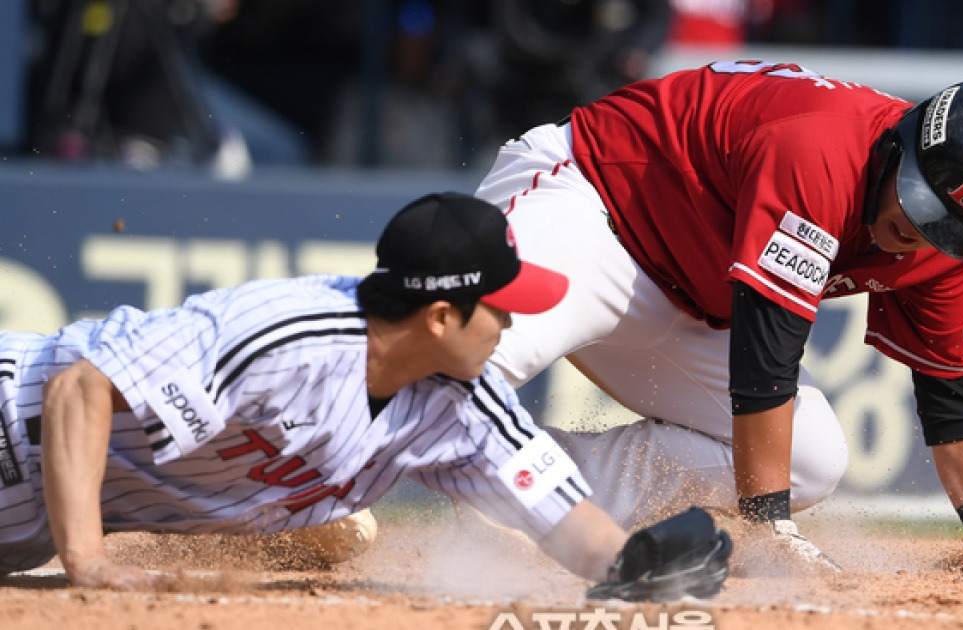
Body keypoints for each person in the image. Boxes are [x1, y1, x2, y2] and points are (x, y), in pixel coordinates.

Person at [473, 60, 963, 570]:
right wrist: (768, 521)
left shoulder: (945, 243)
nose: (917, 231)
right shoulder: (821, 147)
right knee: (475, 354)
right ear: (898, 146)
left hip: (690, 301)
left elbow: (954, 384)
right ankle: (370, 466)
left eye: (943, 223)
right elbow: (769, 343)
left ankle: (521, 495)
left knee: (811, 459)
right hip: (593, 203)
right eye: (919, 201)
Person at [0, 192, 732, 599]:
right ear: (441, 317)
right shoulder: (288, 335)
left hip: (25, 524)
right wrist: (88, 563)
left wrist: (633, 562)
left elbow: (557, 513)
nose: (515, 321)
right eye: (500, 305)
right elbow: (79, 389)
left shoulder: (462, 404)